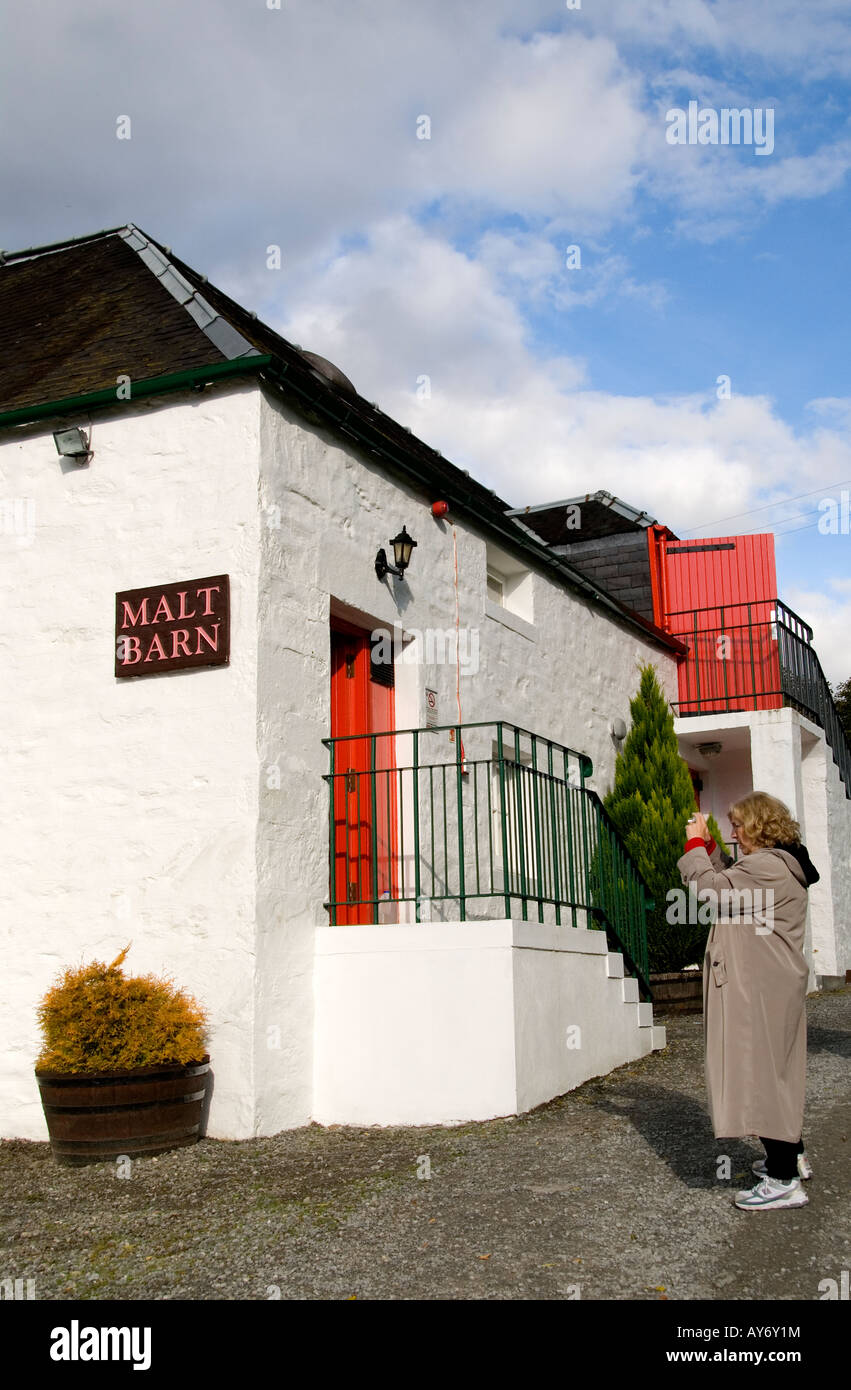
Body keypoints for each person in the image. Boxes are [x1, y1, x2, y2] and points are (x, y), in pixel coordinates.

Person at [677, 792, 819, 1211]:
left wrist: (692, 846)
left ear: (758, 826)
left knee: (764, 1076)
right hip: (770, 983)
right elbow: (734, 882)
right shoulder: (776, 864)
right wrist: (709, 848)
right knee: (775, 1072)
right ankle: (791, 1158)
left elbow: (711, 889)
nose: (734, 832)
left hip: (762, 987)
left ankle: (783, 1181)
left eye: (738, 825)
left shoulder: (768, 867)